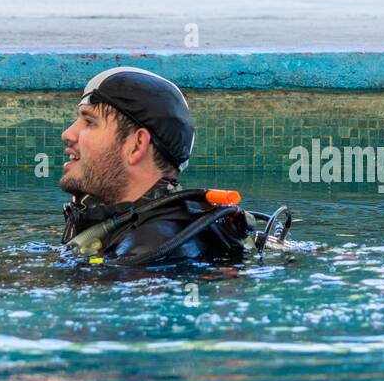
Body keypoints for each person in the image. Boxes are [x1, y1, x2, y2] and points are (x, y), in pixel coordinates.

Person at [59, 66, 289, 265]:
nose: (68, 134)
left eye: (89, 122)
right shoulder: (168, 228)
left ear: (137, 144)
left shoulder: (153, 250)